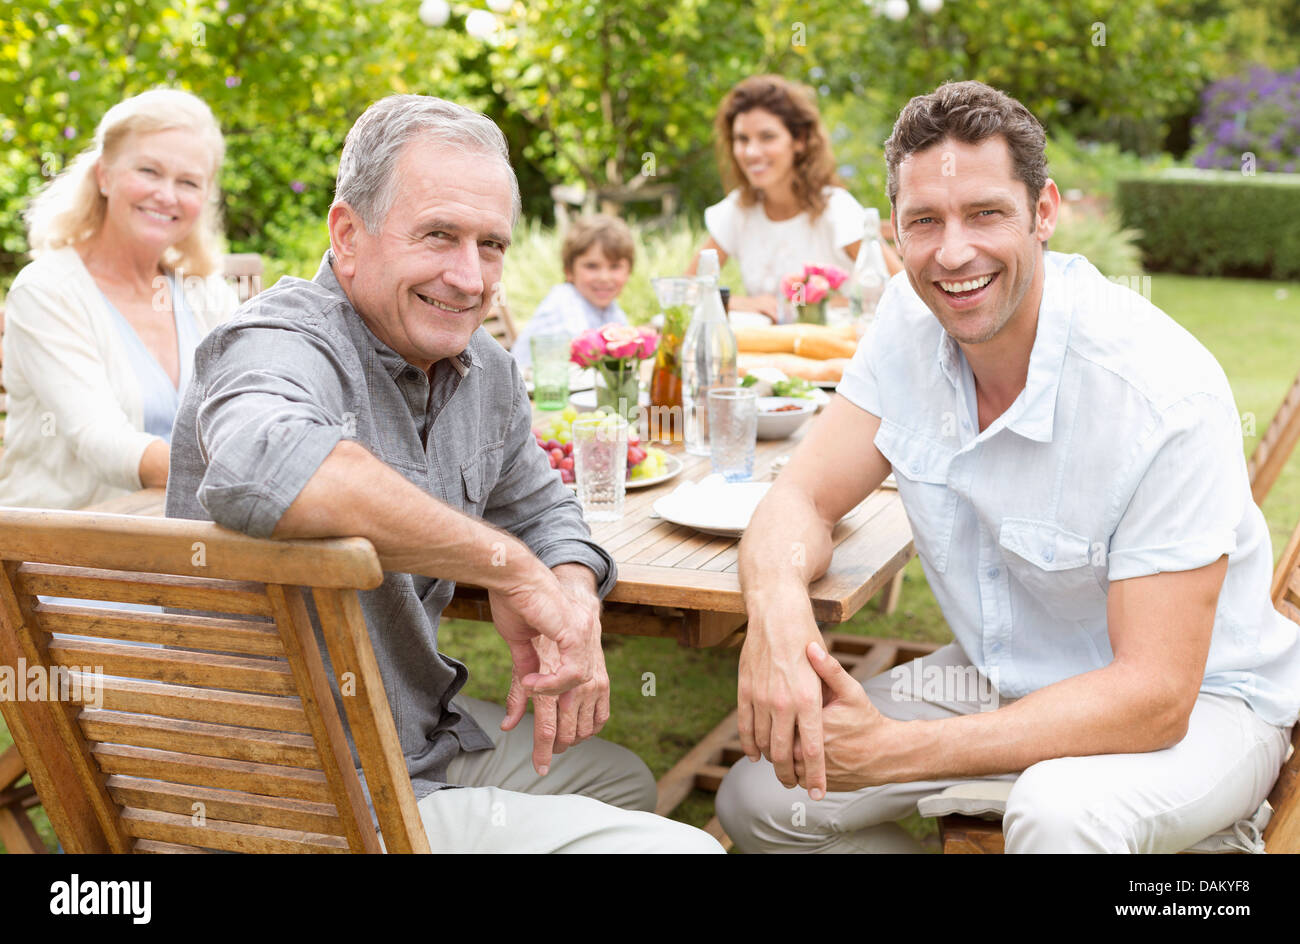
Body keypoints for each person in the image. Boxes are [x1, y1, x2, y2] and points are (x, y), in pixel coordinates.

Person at [716, 80, 1300, 853]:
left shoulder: (1159, 394)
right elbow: (801, 497)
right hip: (997, 675)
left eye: (985, 213)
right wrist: (778, 619)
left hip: (1205, 707)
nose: (953, 252)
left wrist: (897, 751)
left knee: (1059, 815)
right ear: (895, 231)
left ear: (1044, 212)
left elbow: (1156, 695)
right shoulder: (904, 322)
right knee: (761, 793)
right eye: (924, 221)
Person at [164, 94, 720, 853]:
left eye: (491, 245)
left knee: (618, 779)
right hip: (288, 785)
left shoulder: (481, 369)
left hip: (402, 733)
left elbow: (546, 509)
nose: (469, 277)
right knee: (677, 849)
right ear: (347, 235)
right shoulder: (276, 340)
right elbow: (269, 466)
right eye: (438, 235)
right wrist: (509, 570)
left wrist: (569, 589)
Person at [0, 88, 237, 510]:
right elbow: (101, 440)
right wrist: (245, 477)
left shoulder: (207, 295)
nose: (166, 194)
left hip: (181, 529)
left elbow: (249, 410)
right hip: (58, 549)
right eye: (149, 171)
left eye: (187, 182)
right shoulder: (46, 291)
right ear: (104, 175)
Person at [688, 74, 900, 321]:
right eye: (741, 139)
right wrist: (741, 302)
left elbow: (903, 289)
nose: (751, 152)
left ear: (799, 140)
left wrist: (825, 306)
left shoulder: (835, 209)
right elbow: (687, 289)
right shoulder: (738, 209)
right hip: (766, 354)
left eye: (767, 137)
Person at [510, 214, 634, 370]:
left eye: (615, 266)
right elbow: (584, 362)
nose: (604, 277)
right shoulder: (563, 303)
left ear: (628, 271)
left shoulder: (610, 308)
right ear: (569, 271)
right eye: (592, 266)